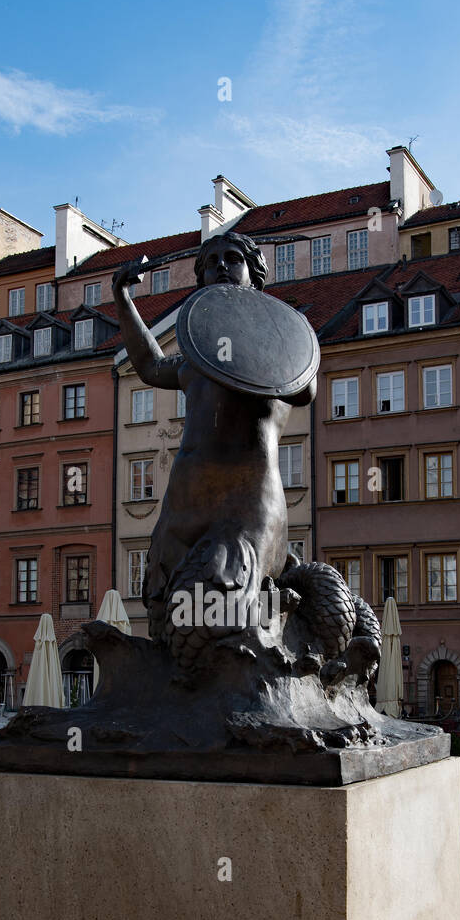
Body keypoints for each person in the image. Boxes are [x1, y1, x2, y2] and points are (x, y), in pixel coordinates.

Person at [111, 232, 315, 660]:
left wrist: (254, 340)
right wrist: (124, 299)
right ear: (200, 278)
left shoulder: (274, 348)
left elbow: (305, 388)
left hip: (247, 497)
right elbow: (148, 365)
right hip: (186, 498)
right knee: (167, 608)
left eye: (233, 258)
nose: (221, 265)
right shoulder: (194, 362)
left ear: (253, 276)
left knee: (237, 608)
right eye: (211, 261)